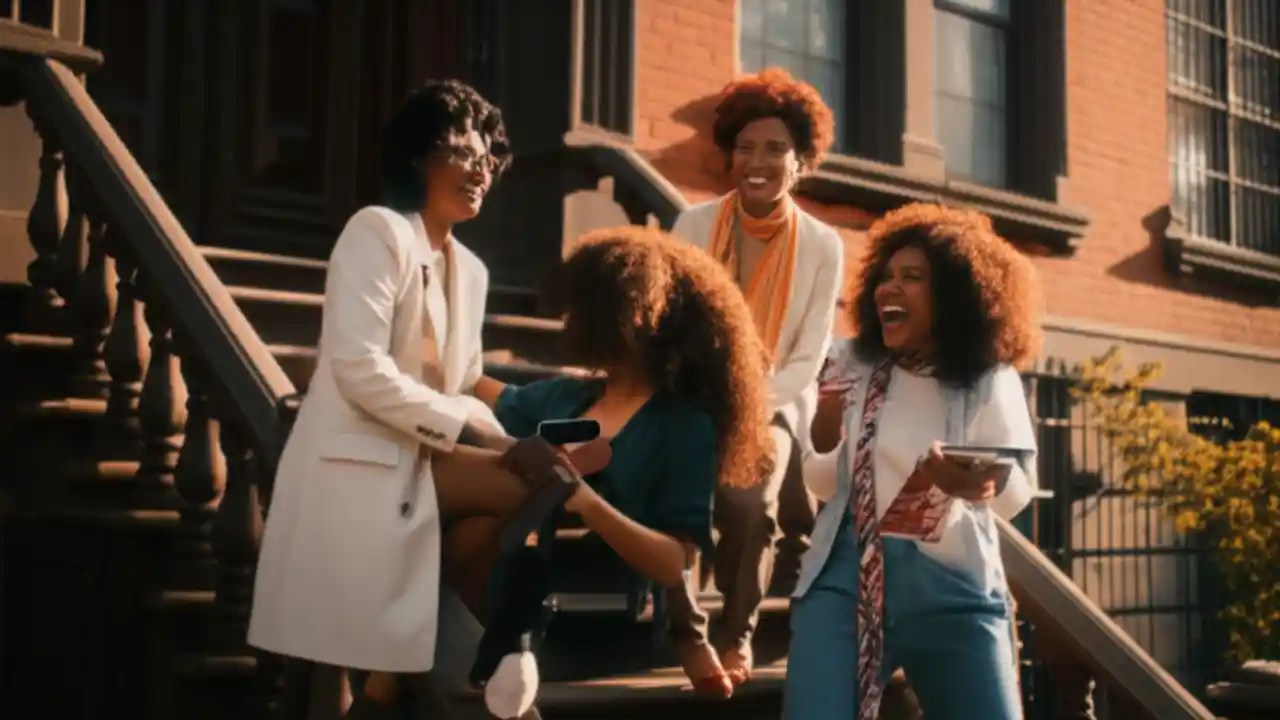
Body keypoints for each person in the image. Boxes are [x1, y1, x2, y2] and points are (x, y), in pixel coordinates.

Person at [247, 79, 598, 720]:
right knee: (526, 486)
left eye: (487, 158)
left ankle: (386, 686)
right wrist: (488, 438)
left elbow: (463, 383)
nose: (480, 170)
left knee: (520, 501)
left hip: (425, 457)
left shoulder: (473, 271)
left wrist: (507, 433)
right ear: (417, 158)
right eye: (460, 152)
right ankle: (510, 643)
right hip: (364, 459)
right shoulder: (376, 232)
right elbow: (359, 369)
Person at [458, 226, 776, 713]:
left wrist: (586, 502)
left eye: (586, 308)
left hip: (604, 566)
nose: (573, 322)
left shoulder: (683, 425)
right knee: (465, 522)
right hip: (521, 557)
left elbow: (674, 562)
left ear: (638, 317)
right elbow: (498, 396)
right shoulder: (572, 396)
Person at [783, 203, 1041, 720]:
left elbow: (1015, 492)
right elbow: (823, 482)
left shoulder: (988, 380)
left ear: (954, 295)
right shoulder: (850, 361)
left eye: (912, 277)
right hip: (844, 579)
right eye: (886, 276)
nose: (889, 288)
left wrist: (974, 486)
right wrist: (828, 416)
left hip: (950, 586)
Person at [667, 67, 844, 695]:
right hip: (692, 393)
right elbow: (672, 326)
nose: (758, 162)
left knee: (747, 504)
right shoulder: (691, 226)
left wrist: (746, 404)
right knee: (671, 493)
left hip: (773, 400)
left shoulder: (823, 245)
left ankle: (736, 632)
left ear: (800, 162)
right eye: (745, 148)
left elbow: (808, 356)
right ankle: (683, 629)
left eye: (775, 149)